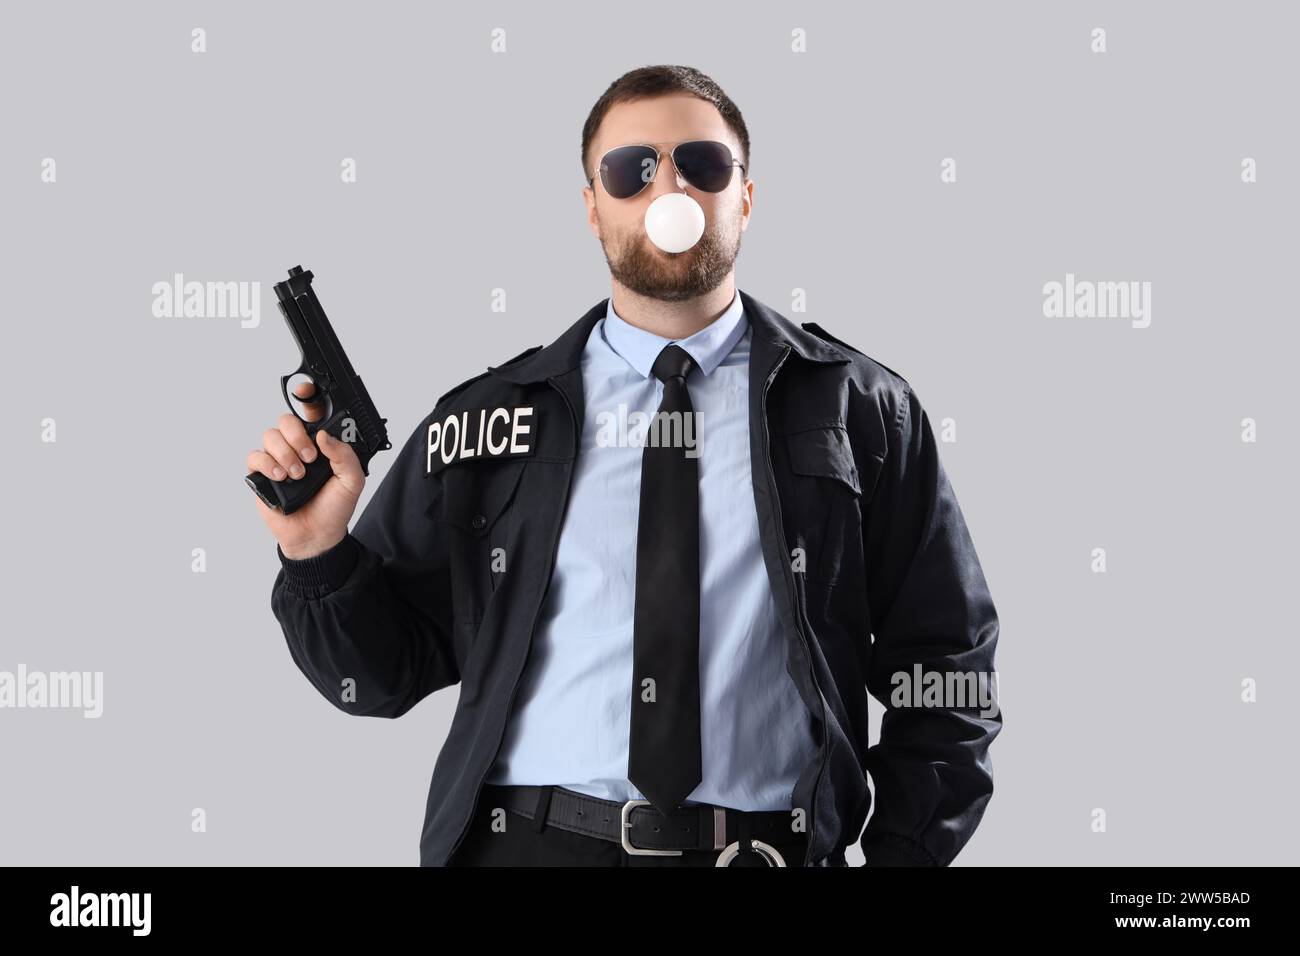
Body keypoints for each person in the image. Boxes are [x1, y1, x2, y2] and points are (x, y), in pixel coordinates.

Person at [247, 64, 1002, 867]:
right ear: (591, 207)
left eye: (703, 165)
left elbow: (950, 671)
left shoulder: (861, 408)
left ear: (745, 195)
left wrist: (900, 858)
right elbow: (383, 678)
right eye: (630, 169)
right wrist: (316, 552)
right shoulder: (488, 421)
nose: (667, 187)